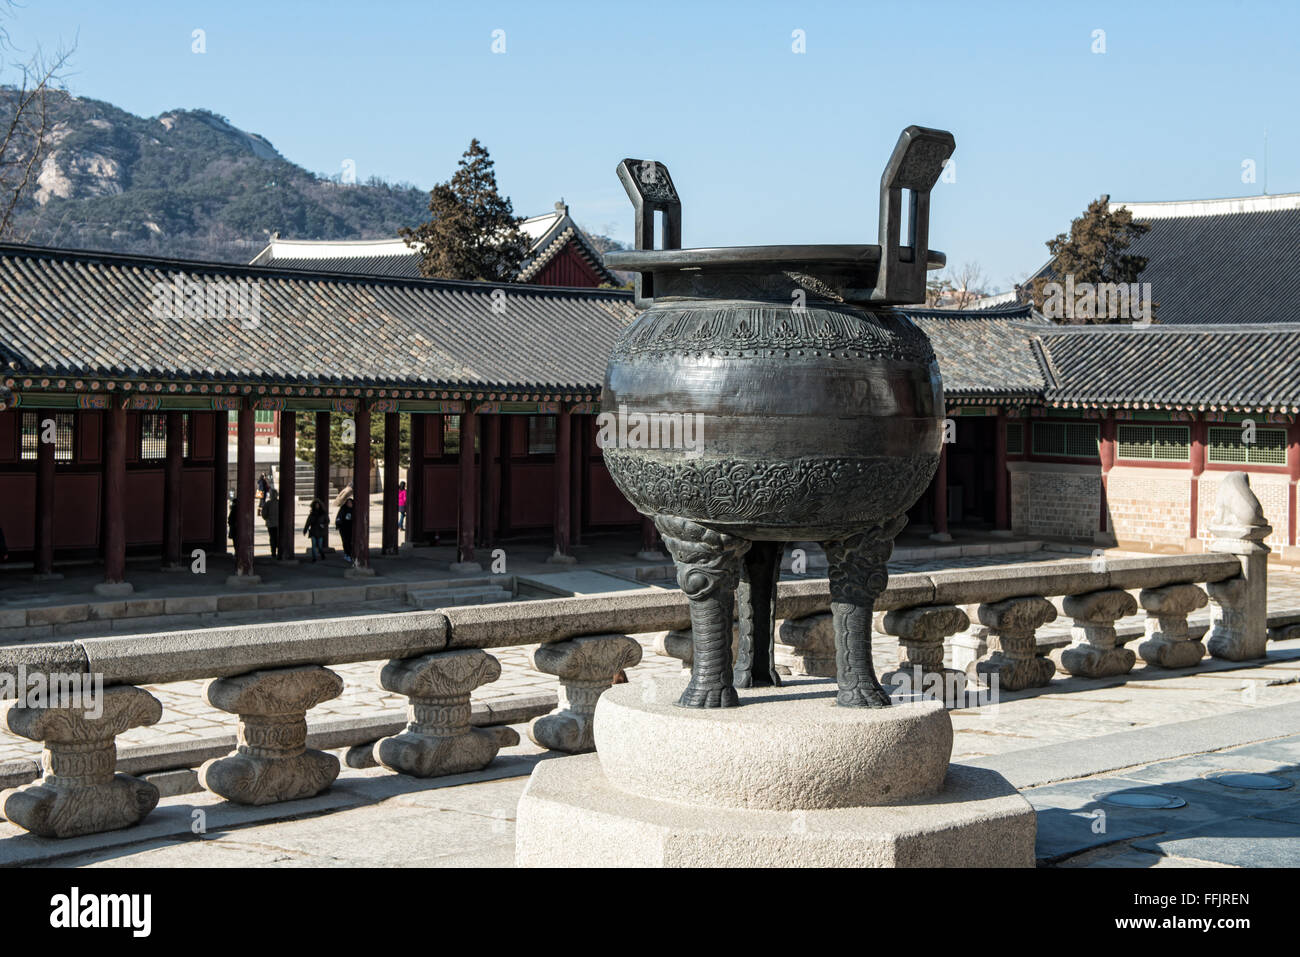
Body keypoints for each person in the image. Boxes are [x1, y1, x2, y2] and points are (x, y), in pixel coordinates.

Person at [303, 498, 328, 562]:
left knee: (319, 546)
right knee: (313, 546)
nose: (317, 506)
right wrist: (305, 530)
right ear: (313, 506)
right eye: (315, 505)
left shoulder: (323, 513)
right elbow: (308, 523)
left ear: (320, 505)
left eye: (318, 505)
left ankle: (322, 554)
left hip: (320, 531)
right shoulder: (311, 514)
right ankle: (314, 558)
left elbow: (327, 521)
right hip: (313, 531)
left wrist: (324, 525)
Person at [261, 488, 280, 559]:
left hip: (271, 524)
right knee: (278, 537)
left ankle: (273, 552)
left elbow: (264, 514)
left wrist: (267, 518)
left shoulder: (268, 503)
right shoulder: (279, 503)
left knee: (272, 538)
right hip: (278, 524)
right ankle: (279, 551)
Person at [335, 495, 355, 564]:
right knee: (345, 541)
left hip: (351, 529)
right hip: (344, 529)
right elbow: (339, 517)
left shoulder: (354, 510)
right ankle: (347, 554)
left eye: (350, 503)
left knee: (351, 542)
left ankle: (350, 554)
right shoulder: (343, 509)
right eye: (348, 503)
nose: (349, 504)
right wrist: (338, 525)